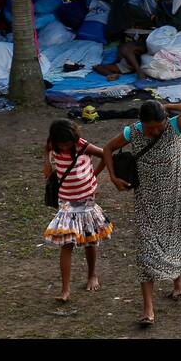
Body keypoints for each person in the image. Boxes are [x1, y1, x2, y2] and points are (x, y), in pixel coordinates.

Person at [103, 101, 181, 327]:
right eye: (150, 128)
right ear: (142, 123)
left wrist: (168, 105)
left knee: (172, 242)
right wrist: (112, 177)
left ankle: (177, 281)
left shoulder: (173, 126)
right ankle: (148, 308)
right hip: (147, 203)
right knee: (146, 253)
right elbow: (107, 149)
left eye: (158, 126)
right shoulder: (134, 132)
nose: (154, 131)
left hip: (176, 199)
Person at [43, 119, 113, 302]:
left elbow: (105, 153)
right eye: (62, 144)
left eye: (69, 143)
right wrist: (47, 154)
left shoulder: (83, 147)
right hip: (66, 205)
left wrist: (94, 174)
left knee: (90, 241)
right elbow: (47, 174)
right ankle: (65, 289)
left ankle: (92, 274)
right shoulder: (53, 148)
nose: (66, 147)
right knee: (66, 244)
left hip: (87, 202)